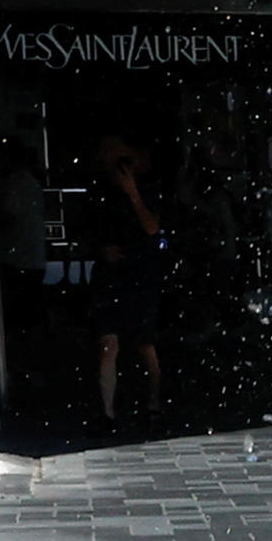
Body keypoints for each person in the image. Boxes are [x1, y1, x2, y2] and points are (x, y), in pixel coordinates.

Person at [84, 133, 170, 431]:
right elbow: (85, 231)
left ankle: (153, 404)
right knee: (108, 343)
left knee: (145, 343)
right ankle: (107, 412)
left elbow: (152, 228)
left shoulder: (148, 189)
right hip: (110, 276)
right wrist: (100, 249)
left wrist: (133, 193)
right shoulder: (99, 192)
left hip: (140, 274)